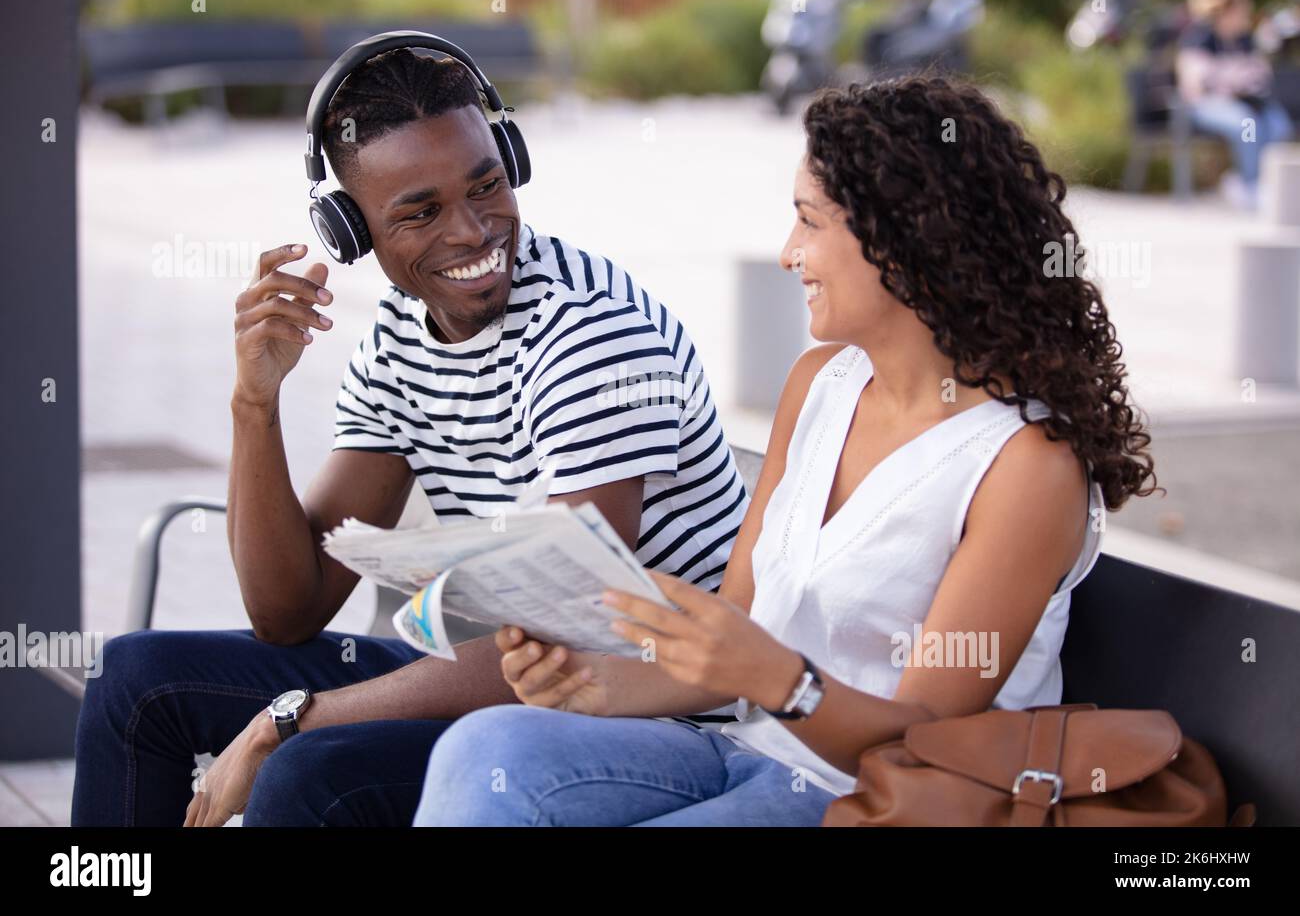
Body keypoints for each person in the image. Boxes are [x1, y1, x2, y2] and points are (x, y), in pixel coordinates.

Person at [413, 75, 1158, 827]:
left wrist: (783, 682)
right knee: (488, 749)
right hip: (752, 753)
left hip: (880, 799)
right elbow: (740, 631)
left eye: (808, 222)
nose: (787, 253)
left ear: (902, 242)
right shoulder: (820, 386)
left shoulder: (1025, 464)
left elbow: (928, 735)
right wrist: (596, 687)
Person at [71, 45, 747, 827]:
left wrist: (287, 720)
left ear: (512, 161)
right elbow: (288, 610)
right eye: (420, 211)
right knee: (135, 679)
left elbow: (562, 628)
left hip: (650, 715)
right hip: (501, 674)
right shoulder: (399, 338)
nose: (472, 231)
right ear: (351, 228)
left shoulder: (592, 335)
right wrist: (254, 404)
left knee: (314, 769)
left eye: (487, 185)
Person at [1177, 0, 1295, 207]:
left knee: (1278, 123)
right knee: (1247, 125)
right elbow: (1197, 82)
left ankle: (1266, 183)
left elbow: (1260, 74)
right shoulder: (1200, 37)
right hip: (1205, 105)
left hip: (1246, 102)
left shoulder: (1245, 40)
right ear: (1226, 12)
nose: (1245, 17)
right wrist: (1232, 79)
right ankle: (1249, 183)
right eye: (1241, 11)